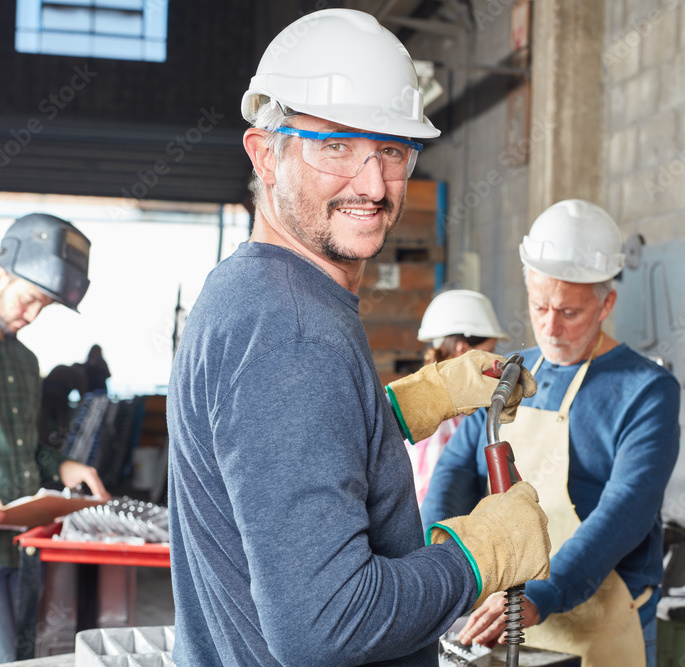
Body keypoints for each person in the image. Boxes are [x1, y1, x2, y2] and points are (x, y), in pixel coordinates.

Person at [166, 9, 550, 667]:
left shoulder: (245, 291)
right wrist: (474, 553)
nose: (372, 185)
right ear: (265, 153)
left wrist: (394, 408)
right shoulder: (293, 330)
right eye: (336, 146)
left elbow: (266, 458)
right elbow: (327, 626)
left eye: (392, 151)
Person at [422, 199, 681, 667]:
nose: (550, 326)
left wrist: (544, 591)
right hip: (503, 612)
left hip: (601, 618)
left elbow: (629, 507)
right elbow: (457, 465)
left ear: (606, 304)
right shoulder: (510, 373)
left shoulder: (646, 390)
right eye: (539, 307)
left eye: (569, 312)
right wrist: (442, 561)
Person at [0, 213, 110, 667]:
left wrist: (63, 465)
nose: (32, 316)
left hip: (23, 548)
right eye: (29, 299)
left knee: (32, 661)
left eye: (44, 306)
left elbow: (25, 449)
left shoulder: (26, 362)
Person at [409, 290, 509, 505]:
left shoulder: (459, 407)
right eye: (489, 350)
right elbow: (431, 497)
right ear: (462, 350)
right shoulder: (438, 417)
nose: (495, 361)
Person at [39, 362, 89, 449]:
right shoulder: (79, 374)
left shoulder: (61, 367)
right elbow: (83, 396)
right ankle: (60, 444)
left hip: (44, 392)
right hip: (59, 394)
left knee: (43, 417)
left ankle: (42, 441)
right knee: (61, 420)